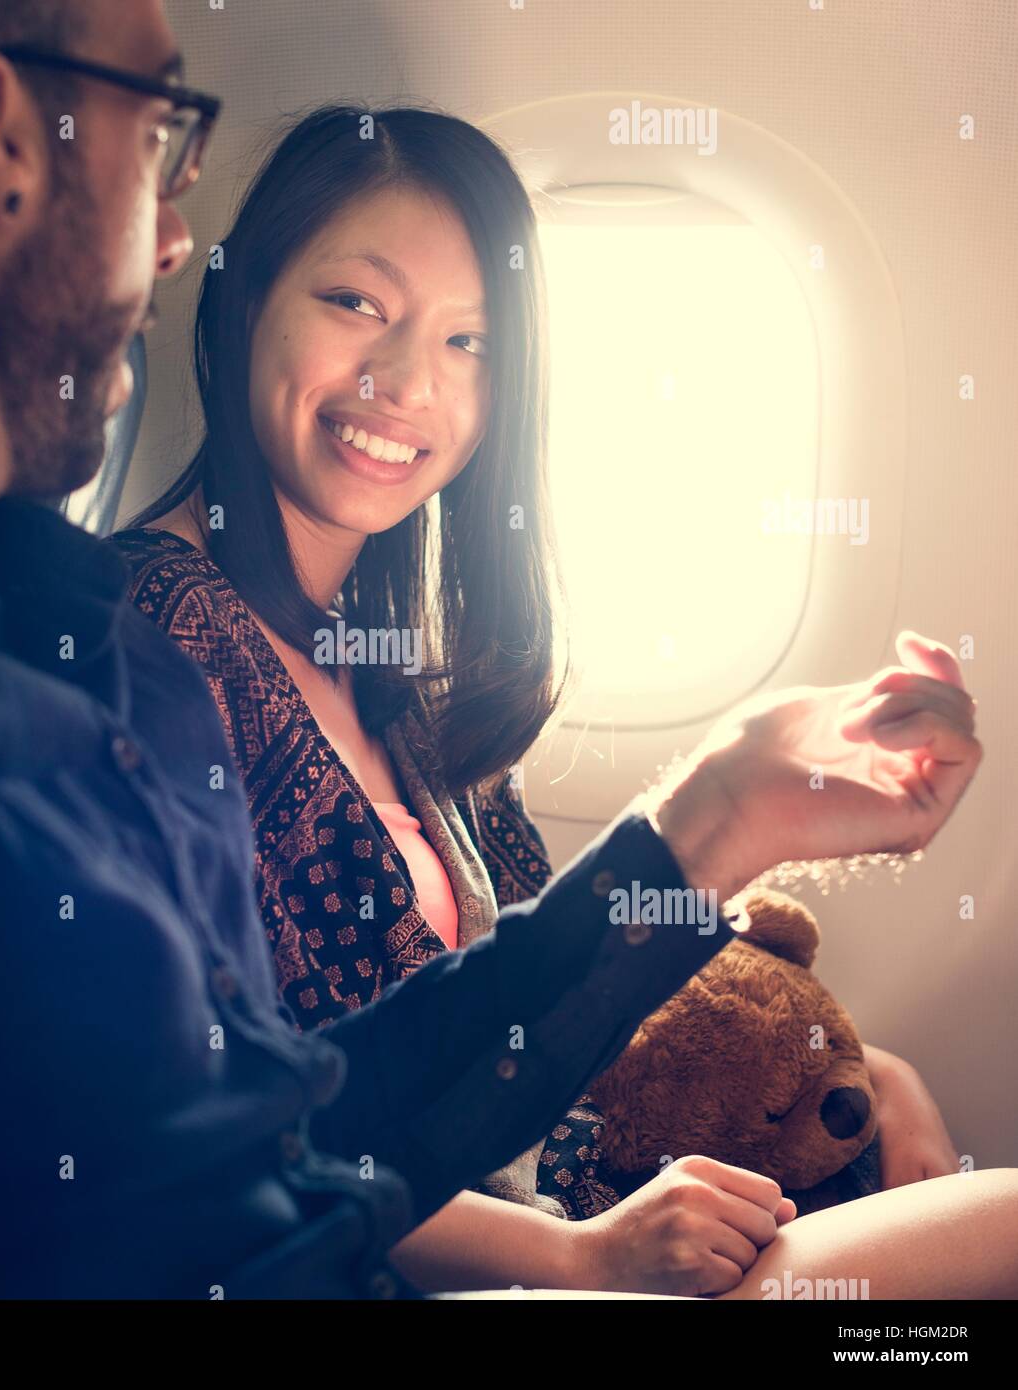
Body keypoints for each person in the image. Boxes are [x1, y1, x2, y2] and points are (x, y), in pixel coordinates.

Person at [0, 0, 1009, 1301]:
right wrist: (581, 1260)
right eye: (160, 135)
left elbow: (296, 1135)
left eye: (467, 342)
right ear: (5, 133)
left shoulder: (45, 627)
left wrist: (722, 813)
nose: (172, 238)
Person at [114, 104, 1012, 1296]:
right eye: (356, 304)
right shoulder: (143, 640)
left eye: (467, 343)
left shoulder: (404, 681)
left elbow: (542, 1006)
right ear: (237, 307)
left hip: (556, 1205)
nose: (402, 383)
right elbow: (235, 1139)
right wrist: (581, 1257)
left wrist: (850, 1065)